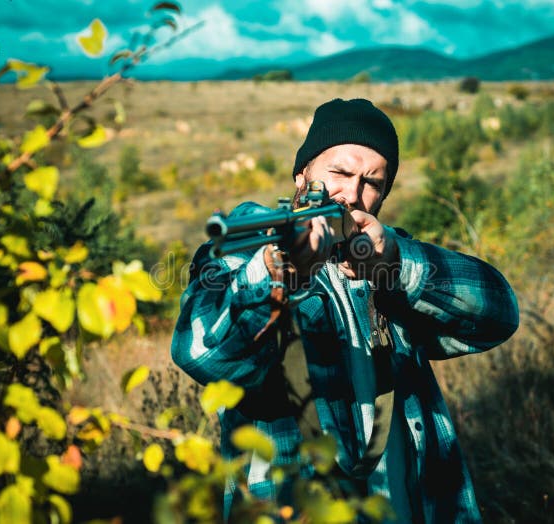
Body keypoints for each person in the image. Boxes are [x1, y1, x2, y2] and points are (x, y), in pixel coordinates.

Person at [171, 98, 519, 522]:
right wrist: (280, 273)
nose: (352, 195)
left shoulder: (387, 260)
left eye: (371, 182)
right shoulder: (246, 252)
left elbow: (499, 313)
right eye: (338, 173)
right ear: (303, 175)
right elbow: (200, 352)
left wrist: (395, 264)